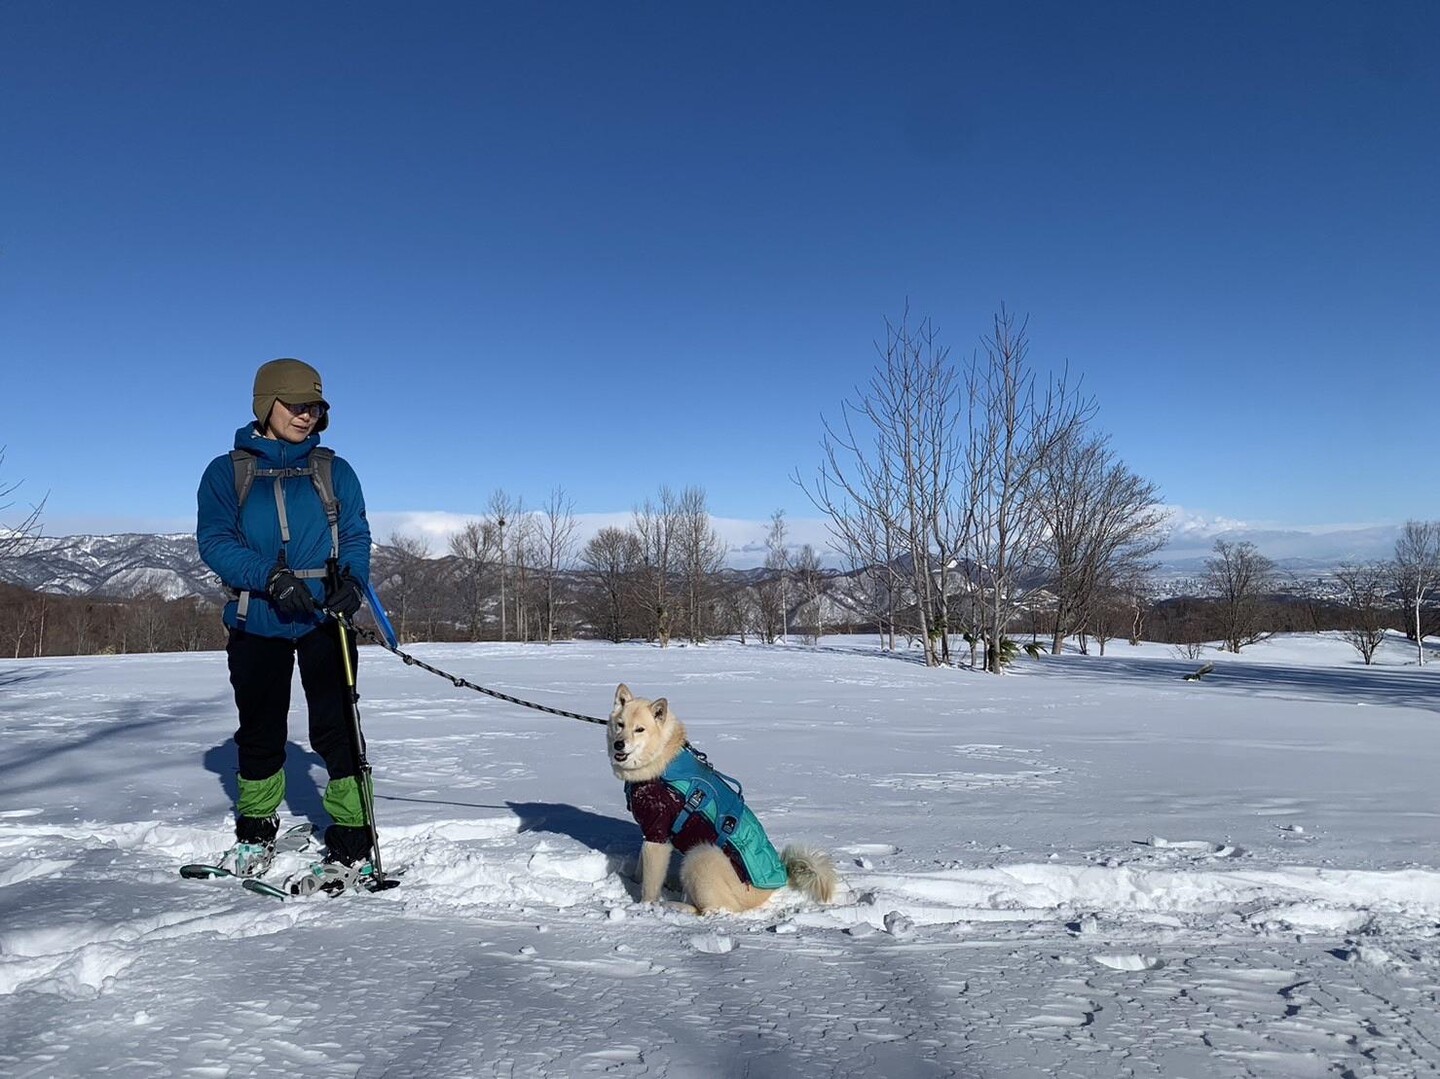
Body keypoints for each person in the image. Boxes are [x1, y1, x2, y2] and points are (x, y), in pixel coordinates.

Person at [196, 358, 373, 876]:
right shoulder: (226, 472)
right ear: (265, 404)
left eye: (315, 407)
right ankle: (256, 830)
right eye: (296, 405)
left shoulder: (334, 470)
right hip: (258, 618)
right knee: (261, 728)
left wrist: (352, 581)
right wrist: (269, 577)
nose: (306, 415)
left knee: (339, 729)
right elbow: (215, 542)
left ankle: (352, 836)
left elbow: (357, 535)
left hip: (325, 619)